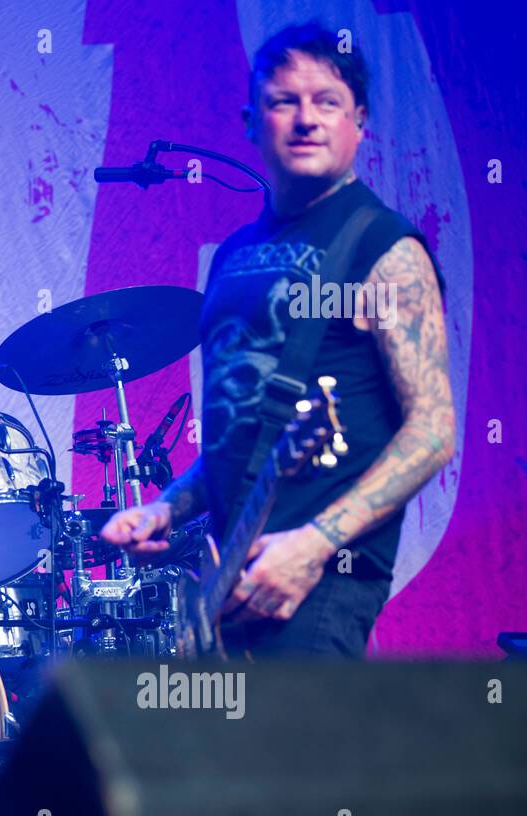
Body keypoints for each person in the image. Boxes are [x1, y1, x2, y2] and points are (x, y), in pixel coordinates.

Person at [100, 22, 455, 657]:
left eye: (327, 102)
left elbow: (432, 431)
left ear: (360, 123)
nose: (306, 118)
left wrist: (313, 543)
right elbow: (243, 433)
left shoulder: (384, 247)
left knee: (293, 758)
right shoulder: (235, 254)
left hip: (319, 578)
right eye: (284, 100)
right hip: (229, 574)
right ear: (249, 119)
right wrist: (166, 508)